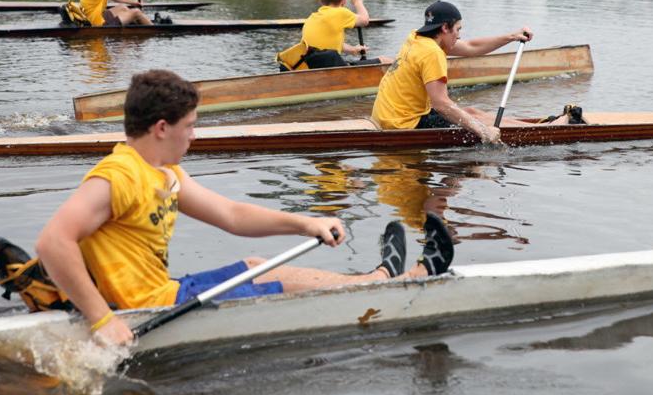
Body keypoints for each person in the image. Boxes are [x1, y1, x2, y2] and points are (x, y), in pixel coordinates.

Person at [35, 69, 455, 345]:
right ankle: (403, 279)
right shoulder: (119, 175)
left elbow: (232, 216)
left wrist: (305, 223)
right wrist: (101, 321)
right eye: (190, 127)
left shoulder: (163, 173)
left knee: (257, 262)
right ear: (162, 128)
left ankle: (377, 276)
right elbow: (54, 241)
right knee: (264, 271)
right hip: (146, 312)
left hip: (162, 293)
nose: (194, 137)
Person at [371, 1, 581, 145]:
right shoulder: (431, 53)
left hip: (389, 115)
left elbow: (471, 47)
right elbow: (442, 104)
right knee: (475, 123)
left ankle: (543, 125)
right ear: (445, 28)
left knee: (470, 111)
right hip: (401, 124)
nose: (460, 35)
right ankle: (549, 130)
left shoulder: (418, 38)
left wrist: (511, 37)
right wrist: (484, 133)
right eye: (458, 30)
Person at [277, 0, 393, 71]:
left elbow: (324, 46)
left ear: (321, 1)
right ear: (343, 2)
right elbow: (364, 20)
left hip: (312, 66)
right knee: (386, 61)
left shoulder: (312, 17)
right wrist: (358, 2)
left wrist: (352, 49)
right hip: (328, 69)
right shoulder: (339, 12)